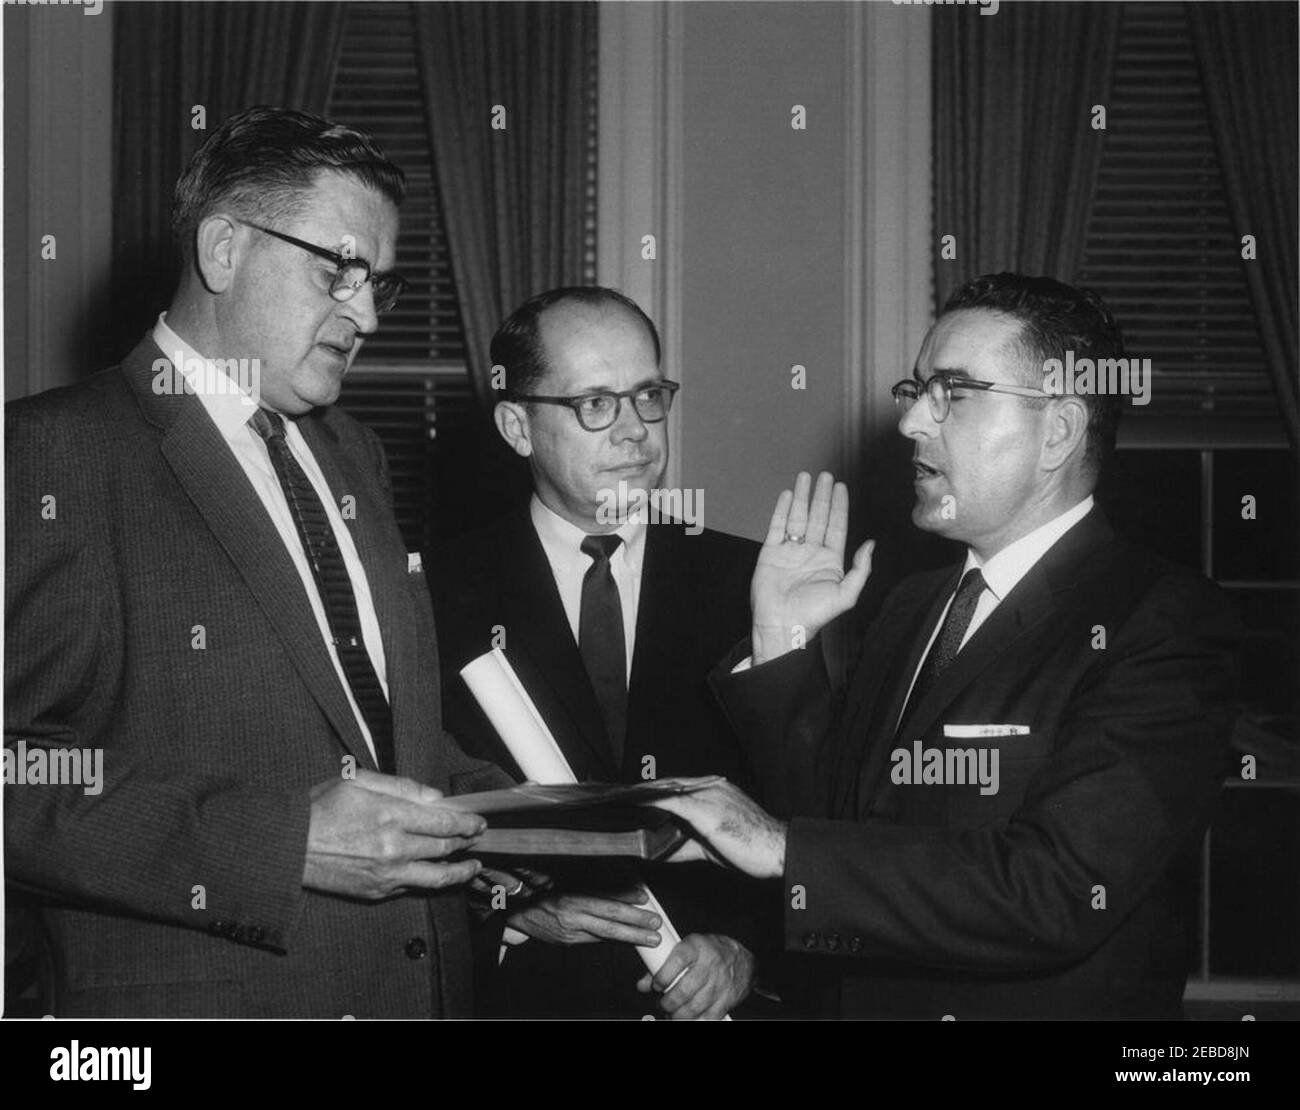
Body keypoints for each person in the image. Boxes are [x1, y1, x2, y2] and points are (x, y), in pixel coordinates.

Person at [4, 106, 507, 1018]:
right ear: (224, 249)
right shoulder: (50, 454)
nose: (364, 314)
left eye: (377, 284)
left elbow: (384, 735)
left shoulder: (354, 453)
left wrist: (544, 848)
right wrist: (281, 845)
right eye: (338, 271)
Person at [653, 273, 1241, 1019]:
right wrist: (782, 638)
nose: (910, 425)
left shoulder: (1163, 620)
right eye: (917, 390)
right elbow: (829, 826)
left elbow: (1054, 890)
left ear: (1057, 430)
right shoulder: (910, 606)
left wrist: (781, 849)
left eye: (953, 394)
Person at [430, 287, 771, 1020]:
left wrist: (746, 951)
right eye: (594, 403)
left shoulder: (754, 583)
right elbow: (406, 810)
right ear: (517, 426)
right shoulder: (428, 595)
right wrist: (509, 911)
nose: (636, 432)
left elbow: (816, 819)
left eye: (648, 395)